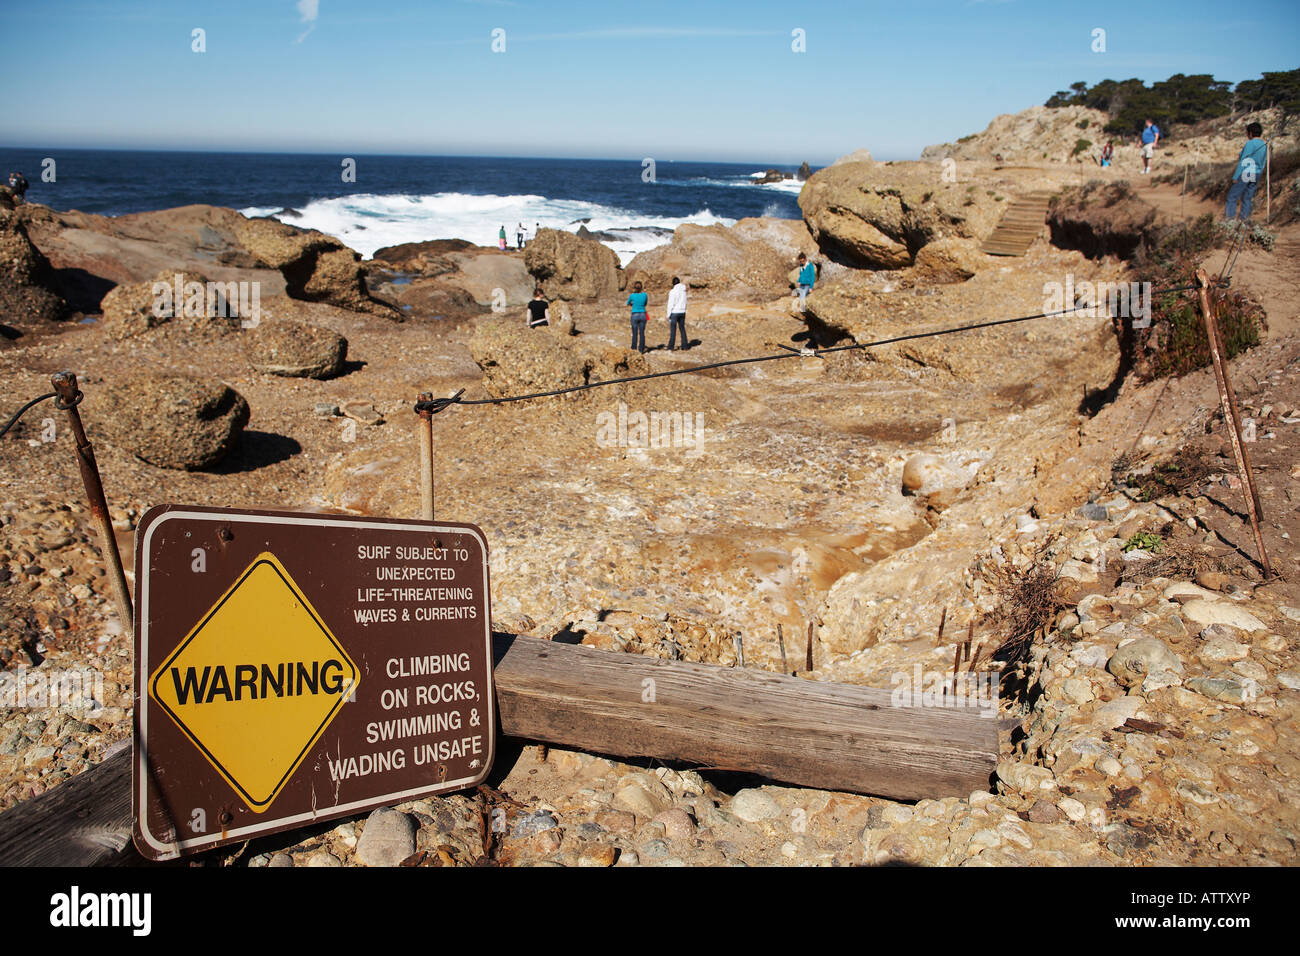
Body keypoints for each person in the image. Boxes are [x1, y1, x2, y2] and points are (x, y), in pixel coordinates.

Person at [1225, 122, 1268, 222]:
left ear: (1251, 133)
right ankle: (1244, 220)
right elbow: (1263, 161)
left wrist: (1235, 176)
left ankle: (1229, 221)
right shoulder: (1264, 144)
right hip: (1256, 173)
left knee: (1232, 196)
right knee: (1247, 197)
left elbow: (1243, 161)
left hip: (1246, 172)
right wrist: (1259, 173)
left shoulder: (1250, 143)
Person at [665, 276, 688, 351]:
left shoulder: (673, 291)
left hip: (675, 312)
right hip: (682, 311)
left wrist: (668, 315)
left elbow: (671, 304)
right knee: (682, 329)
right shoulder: (684, 290)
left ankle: (670, 347)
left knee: (673, 330)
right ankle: (685, 346)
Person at [626, 280, 649, 353]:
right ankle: (641, 349)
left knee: (634, 333)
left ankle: (634, 348)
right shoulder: (645, 295)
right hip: (643, 314)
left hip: (635, 314)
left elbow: (628, 303)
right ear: (641, 287)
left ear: (634, 288)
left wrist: (632, 304)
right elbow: (645, 303)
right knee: (642, 333)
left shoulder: (632, 295)